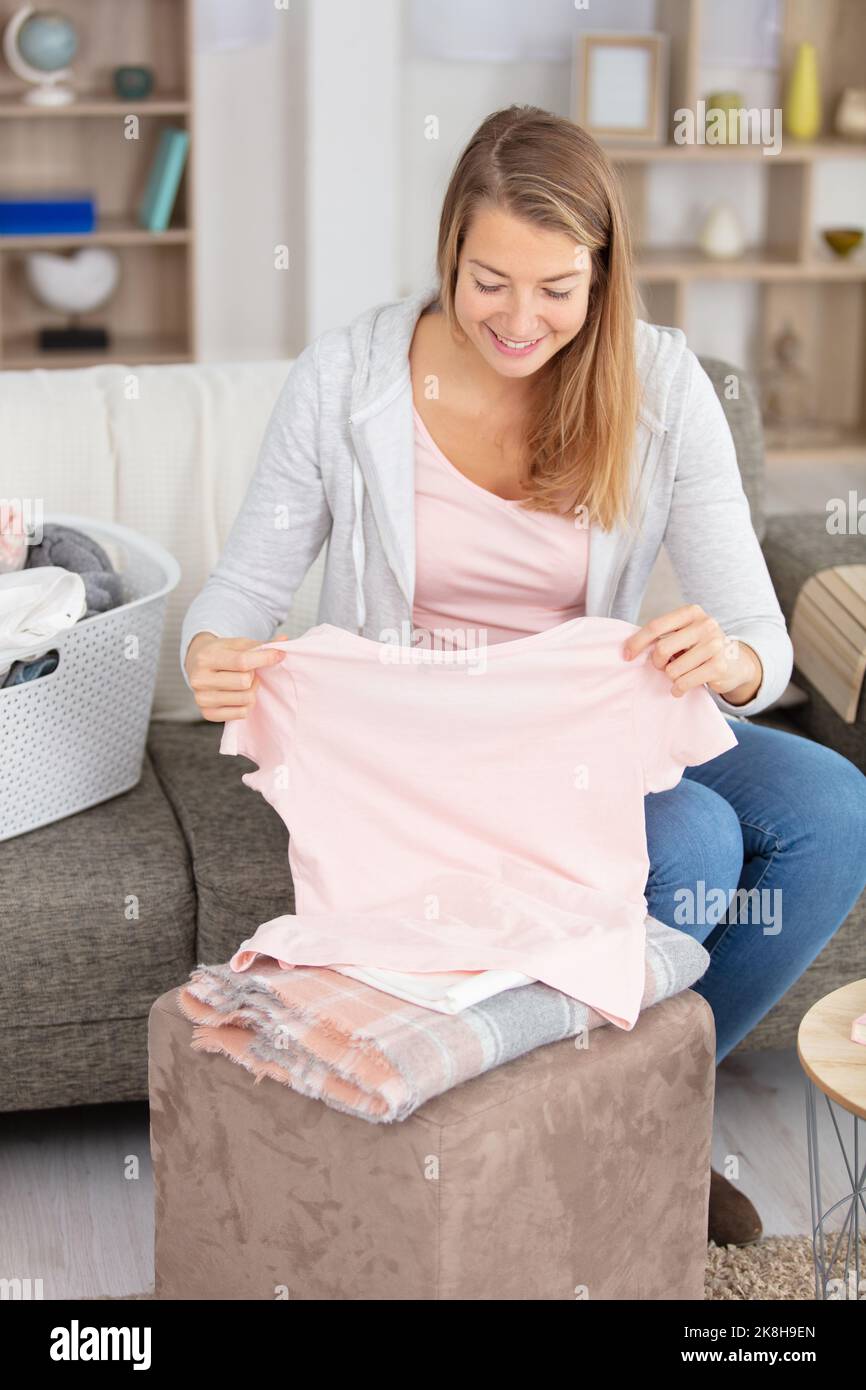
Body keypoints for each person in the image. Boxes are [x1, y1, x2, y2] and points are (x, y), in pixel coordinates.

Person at [181, 104, 866, 1250]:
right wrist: (212, 653)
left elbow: (756, 624)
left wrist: (733, 659)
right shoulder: (349, 379)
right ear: (448, 246)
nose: (517, 319)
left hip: (588, 722)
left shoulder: (656, 386)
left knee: (833, 810)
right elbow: (238, 595)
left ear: (603, 274)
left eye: (557, 288)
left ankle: (634, 1117)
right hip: (426, 738)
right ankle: (594, 1143)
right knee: (689, 840)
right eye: (487, 280)